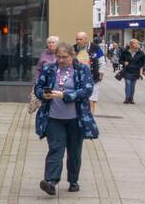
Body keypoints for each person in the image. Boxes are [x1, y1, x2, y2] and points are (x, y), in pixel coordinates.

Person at [34, 43, 98, 195]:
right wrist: (43, 94)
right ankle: (51, 181)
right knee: (56, 149)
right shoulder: (49, 69)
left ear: (72, 56)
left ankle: (73, 180)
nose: (61, 60)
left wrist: (65, 95)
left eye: (65, 57)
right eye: (58, 57)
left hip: (76, 119)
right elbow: (38, 87)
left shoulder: (82, 69)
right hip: (54, 117)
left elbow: (87, 90)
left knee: (74, 152)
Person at [119, 39, 145, 104]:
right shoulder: (125, 52)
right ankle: (127, 98)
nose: (137, 45)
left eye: (138, 43)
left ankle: (131, 98)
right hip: (127, 70)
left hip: (136, 71)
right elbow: (120, 60)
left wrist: (142, 72)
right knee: (128, 83)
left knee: (133, 86)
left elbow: (143, 63)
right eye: (135, 43)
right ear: (131, 44)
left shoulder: (141, 53)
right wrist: (124, 62)